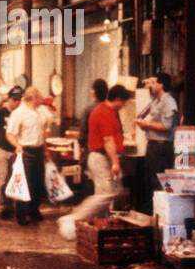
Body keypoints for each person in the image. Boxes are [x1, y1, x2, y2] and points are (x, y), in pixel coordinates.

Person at [59, 85, 128, 240]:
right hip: (101, 158)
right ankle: (73, 217)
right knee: (105, 195)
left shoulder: (108, 111)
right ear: (118, 100)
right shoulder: (104, 113)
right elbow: (108, 140)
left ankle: (100, 228)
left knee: (113, 193)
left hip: (104, 158)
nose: (123, 106)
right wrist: (115, 162)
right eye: (123, 102)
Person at [6, 88, 51, 225]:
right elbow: (10, 134)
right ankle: (22, 214)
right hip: (25, 151)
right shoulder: (18, 113)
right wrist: (17, 145)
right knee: (25, 184)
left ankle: (34, 211)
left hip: (38, 151)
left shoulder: (39, 113)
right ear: (33, 98)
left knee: (37, 183)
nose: (41, 100)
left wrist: (45, 150)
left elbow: (41, 134)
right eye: (39, 98)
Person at [137, 72, 178, 212]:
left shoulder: (168, 102)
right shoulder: (155, 101)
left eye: (153, 83)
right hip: (152, 145)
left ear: (161, 85)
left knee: (159, 183)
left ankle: (162, 214)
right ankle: (154, 213)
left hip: (161, 148)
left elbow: (166, 126)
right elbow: (144, 115)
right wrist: (143, 124)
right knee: (150, 182)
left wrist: (147, 125)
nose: (151, 86)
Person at [0, 87, 23, 220]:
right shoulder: (0, 113)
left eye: (19, 100)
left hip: (15, 151)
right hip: (1, 149)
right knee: (2, 179)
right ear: (9, 99)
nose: (16, 102)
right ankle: (2, 205)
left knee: (13, 179)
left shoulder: (21, 115)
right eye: (14, 99)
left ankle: (11, 206)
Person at [78, 79, 107, 167]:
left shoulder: (88, 110)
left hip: (92, 153)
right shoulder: (112, 110)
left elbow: (82, 135)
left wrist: (82, 148)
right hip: (109, 153)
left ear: (94, 92)